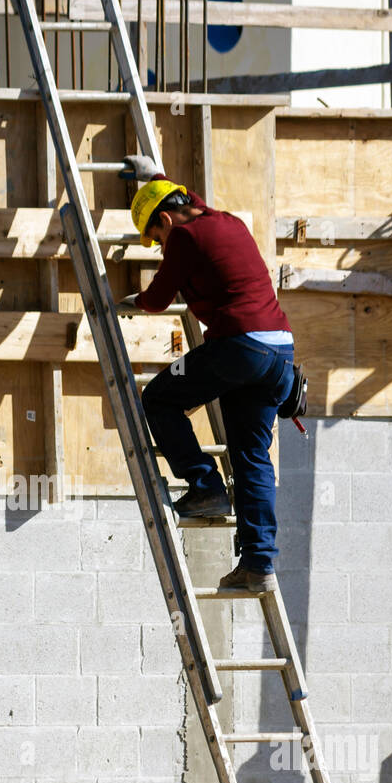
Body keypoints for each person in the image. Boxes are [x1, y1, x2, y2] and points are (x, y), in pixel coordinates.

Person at [120, 156, 297, 594]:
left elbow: (160, 297)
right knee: (252, 457)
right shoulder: (226, 221)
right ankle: (258, 566)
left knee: (160, 397)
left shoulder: (184, 237)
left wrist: (133, 302)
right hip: (279, 352)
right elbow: (187, 199)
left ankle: (205, 486)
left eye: (157, 236)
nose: (162, 246)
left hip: (239, 347)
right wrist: (155, 176)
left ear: (166, 220)